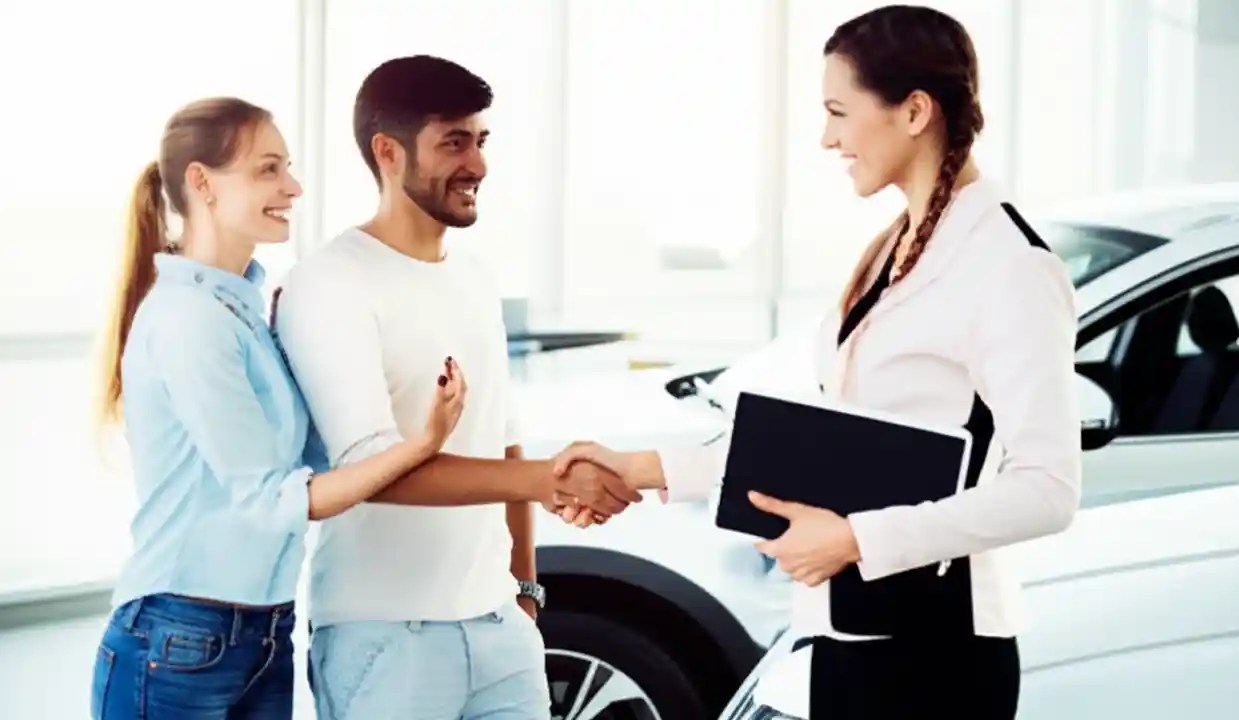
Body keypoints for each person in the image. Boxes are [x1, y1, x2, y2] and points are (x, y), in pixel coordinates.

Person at [553, 6, 1082, 718]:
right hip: (851, 634)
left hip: (936, 652)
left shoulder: (1009, 266)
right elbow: (829, 443)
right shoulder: (899, 246)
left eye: (839, 110)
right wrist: (640, 467)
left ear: (915, 110)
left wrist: (855, 538)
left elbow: (1048, 489)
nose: (827, 136)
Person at [272, 55, 639, 720]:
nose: (477, 164)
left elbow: (506, 440)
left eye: (481, 140)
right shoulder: (329, 282)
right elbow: (371, 469)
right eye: (453, 142)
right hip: (387, 638)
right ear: (388, 152)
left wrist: (524, 592)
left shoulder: (472, 275)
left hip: (500, 630)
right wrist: (549, 483)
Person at [90, 97, 471, 719]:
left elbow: (311, 458)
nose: (291, 186)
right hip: (178, 632)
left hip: (259, 632)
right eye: (268, 169)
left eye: (288, 167)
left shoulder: (242, 310)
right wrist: (419, 446)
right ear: (202, 183)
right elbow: (276, 500)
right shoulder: (191, 319)